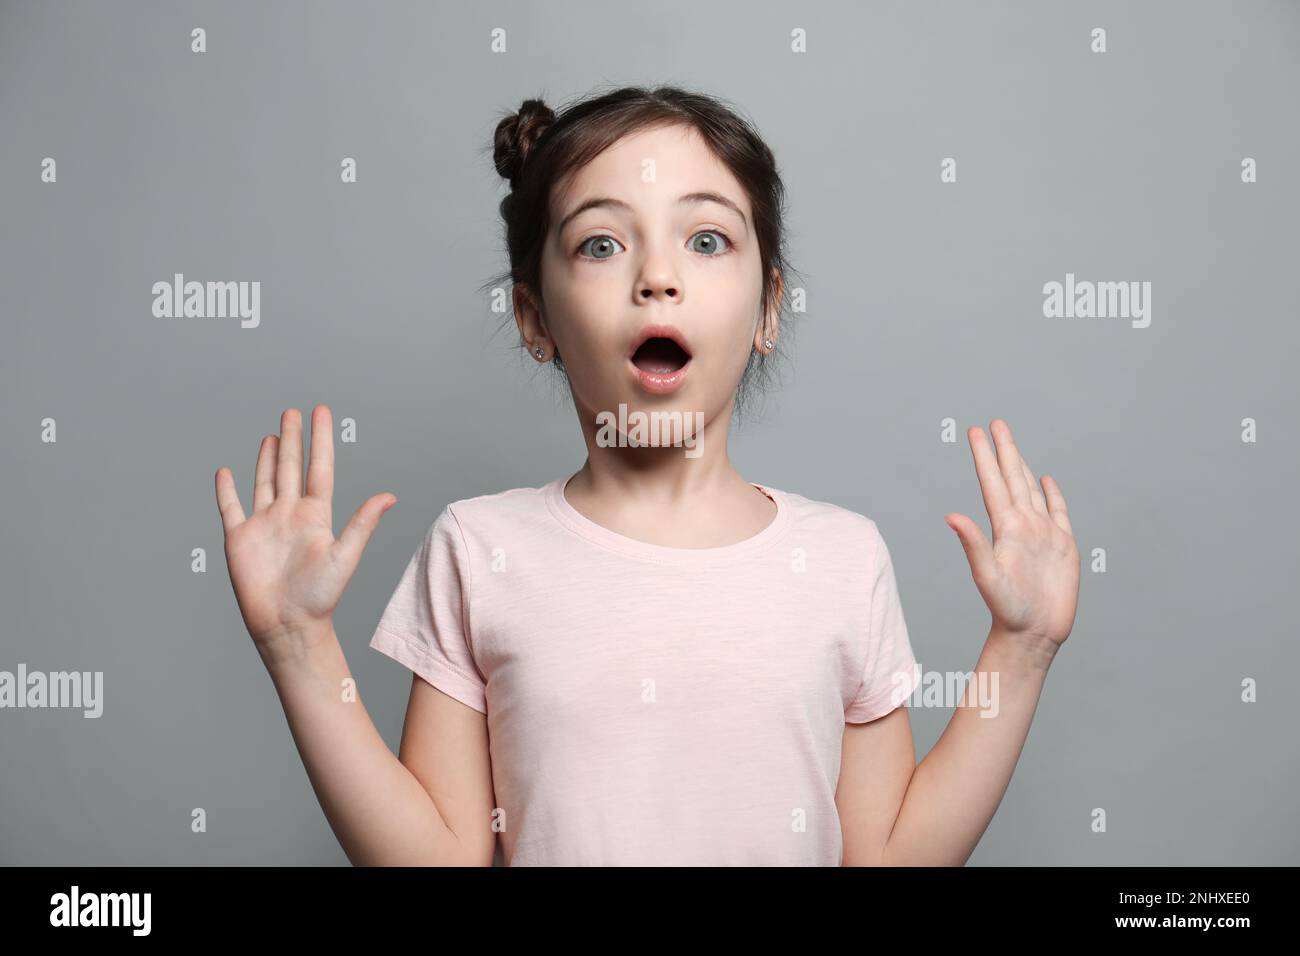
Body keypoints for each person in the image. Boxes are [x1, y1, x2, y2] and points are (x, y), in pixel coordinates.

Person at [213, 85, 1080, 866]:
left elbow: (888, 859)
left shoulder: (843, 559)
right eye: (600, 244)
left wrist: (1023, 648)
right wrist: (298, 645)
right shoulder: (481, 550)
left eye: (706, 240)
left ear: (769, 307)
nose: (657, 278)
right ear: (533, 316)